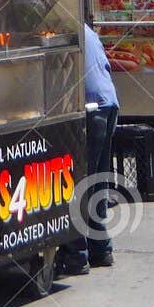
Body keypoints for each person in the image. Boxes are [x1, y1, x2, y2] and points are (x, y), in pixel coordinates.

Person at [60, 21, 119, 275]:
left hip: (90, 108)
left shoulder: (66, 34)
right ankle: (101, 249)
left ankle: (77, 255)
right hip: (108, 103)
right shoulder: (86, 30)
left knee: (78, 182)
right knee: (96, 181)